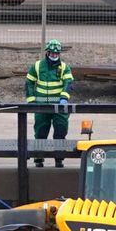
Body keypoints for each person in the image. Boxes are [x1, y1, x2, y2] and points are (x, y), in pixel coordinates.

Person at [25, 39, 74, 167]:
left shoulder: (64, 67)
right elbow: (29, 82)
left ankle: (59, 159)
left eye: (57, 53)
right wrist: (31, 100)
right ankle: (39, 160)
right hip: (41, 106)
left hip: (59, 106)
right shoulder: (37, 66)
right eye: (52, 53)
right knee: (40, 132)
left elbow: (68, 83)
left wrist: (64, 97)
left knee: (60, 132)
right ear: (47, 52)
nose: (54, 55)